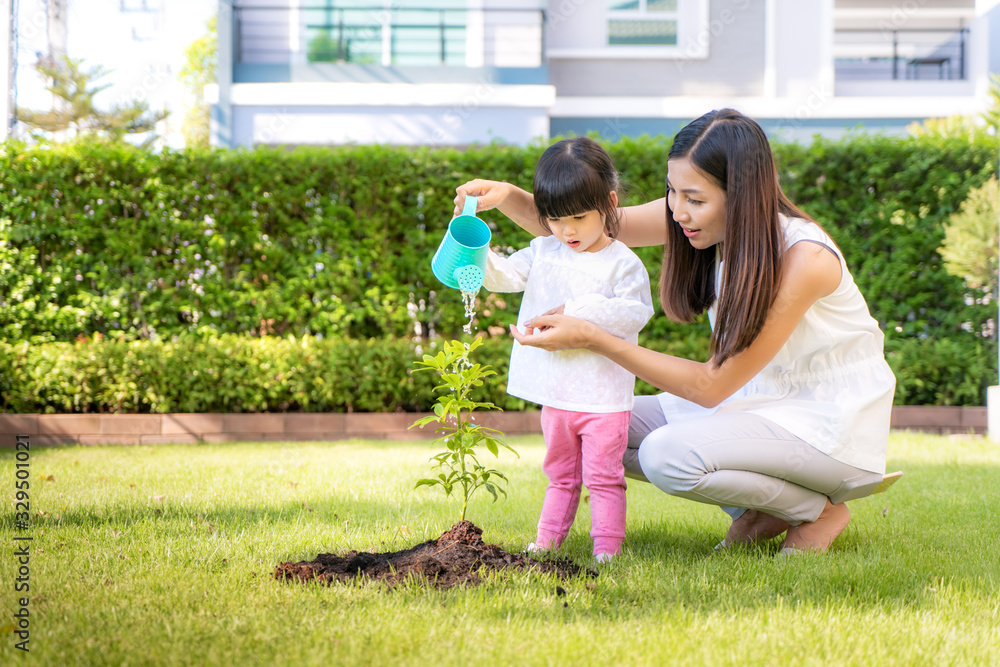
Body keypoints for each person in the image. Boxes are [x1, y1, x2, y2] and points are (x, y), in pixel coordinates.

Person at [455, 109, 896, 555]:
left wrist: (593, 336)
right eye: (672, 192)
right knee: (605, 423)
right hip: (753, 407)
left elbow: (711, 385)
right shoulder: (696, 219)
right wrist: (507, 195)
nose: (678, 211)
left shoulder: (805, 259)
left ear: (742, 196)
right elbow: (582, 231)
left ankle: (815, 511)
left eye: (695, 199)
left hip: (826, 427)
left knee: (665, 455)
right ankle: (761, 511)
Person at [480, 136, 654, 563]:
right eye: (555, 220)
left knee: (604, 477)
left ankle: (607, 550)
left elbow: (635, 312)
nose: (567, 231)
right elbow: (502, 276)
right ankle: (546, 541)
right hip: (557, 395)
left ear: (609, 203)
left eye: (579, 216)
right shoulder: (543, 251)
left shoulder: (622, 263)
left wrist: (576, 312)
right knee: (559, 474)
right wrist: (476, 252)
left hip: (603, 398)